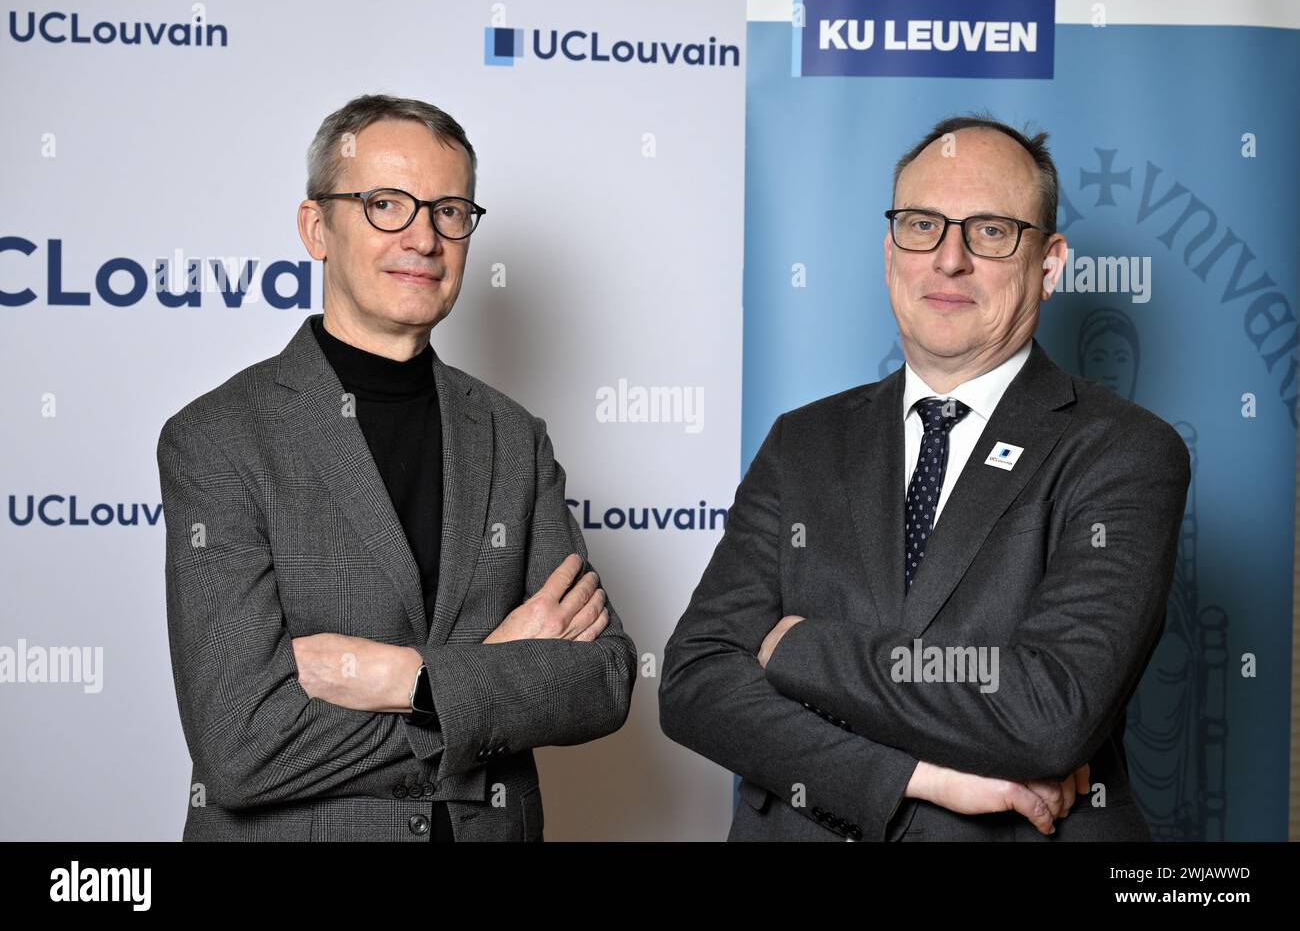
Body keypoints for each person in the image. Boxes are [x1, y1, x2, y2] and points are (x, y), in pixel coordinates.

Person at [659, 113, 1190, 841]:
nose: (949, 260)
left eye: (991, 231)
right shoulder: (803, 442)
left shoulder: (1125, 452)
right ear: (890, 253)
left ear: (1051, 263)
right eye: (922, 225)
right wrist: (918, 777)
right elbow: (695, 682)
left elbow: (1048, 711)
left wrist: (796, 646)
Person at [158, 94, 636, 841]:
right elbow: (242, 744)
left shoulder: (514, 436)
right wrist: (482, 680)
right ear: (317, 228)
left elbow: (601, 681)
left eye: (449, 211)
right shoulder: (218, 437)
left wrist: (399, 679)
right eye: (386, 205)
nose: (423, 237)